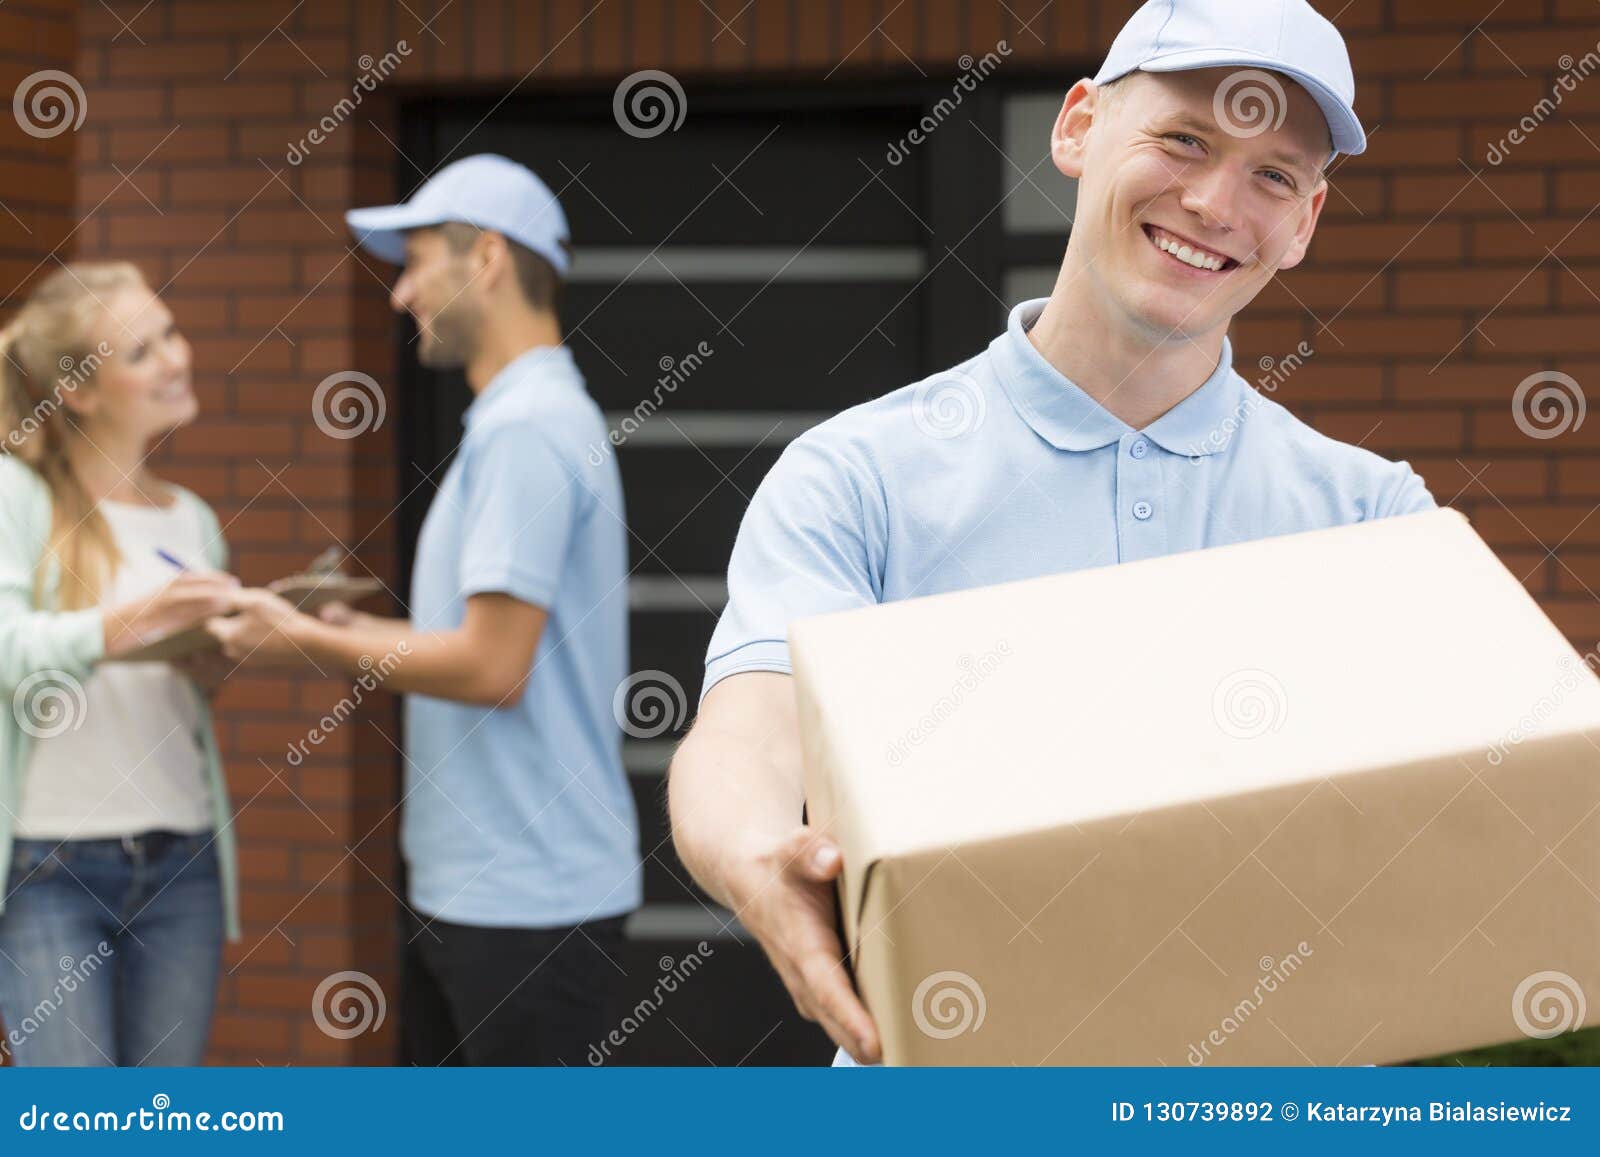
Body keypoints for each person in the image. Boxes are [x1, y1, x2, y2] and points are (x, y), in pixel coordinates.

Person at [668, 0, 1433, 1066]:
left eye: (1272, 174)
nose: (1215, 202)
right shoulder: (863, 475)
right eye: (1183, 141)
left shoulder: (1373, 518)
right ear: (1075, 129)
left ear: (1303, 222)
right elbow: (751, 727)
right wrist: (755, 850)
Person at [208, 155, 642, 1066]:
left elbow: (492, 667)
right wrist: (351, 631)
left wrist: (299, 643)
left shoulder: (528, 430)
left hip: (528, 906)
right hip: (493, 894)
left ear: (484, 258)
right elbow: (478, 642)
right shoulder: (515, 423)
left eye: (415, 265)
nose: (402, 294)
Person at [0, 262, 242, 1066]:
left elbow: (189, 690)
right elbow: (8, 647)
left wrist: (233, 643)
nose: (177, 357)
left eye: (170, 332)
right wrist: (136, 620)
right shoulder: (18, 497)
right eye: (142, 351)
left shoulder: (191, 517)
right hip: (51, 868)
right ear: (78, 390)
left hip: (183, 861)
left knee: (160, 1124)